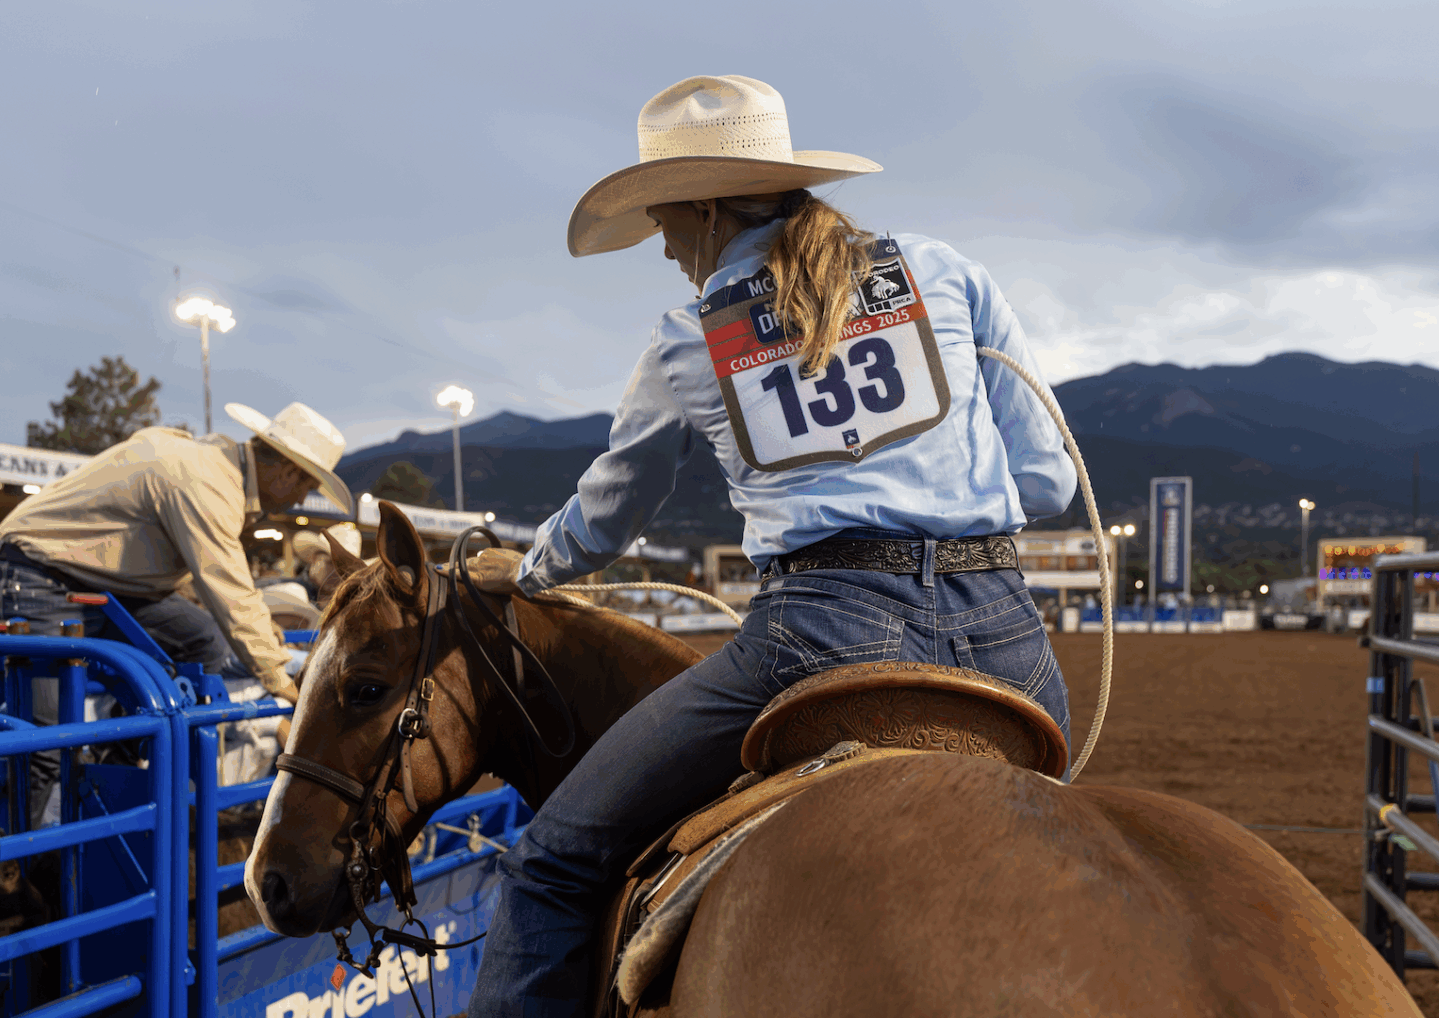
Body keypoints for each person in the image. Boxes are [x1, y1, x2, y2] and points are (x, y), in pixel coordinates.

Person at [462, 75, 1078, 1016]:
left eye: (665, 220)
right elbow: (1050, 483)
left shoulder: (686, 342)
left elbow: (610, 511)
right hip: (1008, 643)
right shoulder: (944, 272)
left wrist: (532, 568)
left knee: (552, 862)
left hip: (818, 638)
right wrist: (949, 505)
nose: (664, 246)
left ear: (707, 210)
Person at [0, 401, 353, 704]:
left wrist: (266, 637)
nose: (301, 498)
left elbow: (219, 580)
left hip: (98, 582)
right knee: (49, 730)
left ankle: (132, 754)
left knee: (202, 638)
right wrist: (278, 676)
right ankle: (108, 757)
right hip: (39, 574)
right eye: (306, 486)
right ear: (288, 472)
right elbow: (226, 585)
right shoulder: (208, 480)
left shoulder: (212, 469)